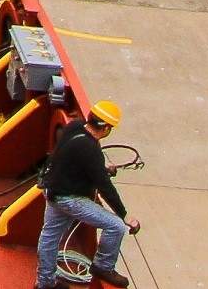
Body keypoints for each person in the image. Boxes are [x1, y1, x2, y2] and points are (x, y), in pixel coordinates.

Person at [35, 93, 132, 288]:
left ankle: (45, 283)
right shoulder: (91, 149)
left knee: (50, 237)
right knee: (115, 226)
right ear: (105, 128)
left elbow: (74, 158)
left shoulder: (74, 127)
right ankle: (103, 266)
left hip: (53, 190)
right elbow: (105, 186)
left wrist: (101, 168)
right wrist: (123, 215)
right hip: (70, 199)